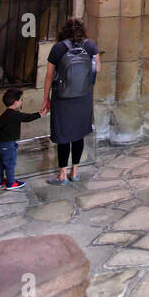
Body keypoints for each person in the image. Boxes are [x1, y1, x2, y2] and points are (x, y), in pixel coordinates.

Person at [43, 17, 99, 185]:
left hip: (63, 98)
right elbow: (98, 68)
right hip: (83, 97)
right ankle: (75, 171)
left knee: (63, 135)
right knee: (78, 134)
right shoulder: (90, 46)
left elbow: (49, 76)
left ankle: (62, 174)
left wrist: (46, 98)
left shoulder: (58, 48)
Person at [0, 87, 43, 191]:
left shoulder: (4, 115)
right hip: (8, 145)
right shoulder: (14, 114)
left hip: (0, 145)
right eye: (21, 100)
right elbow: (27, 117)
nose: (21, 102)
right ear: (15, 102)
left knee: (0, 164)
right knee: (10, 164)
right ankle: (11, 183)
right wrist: (40, 114)